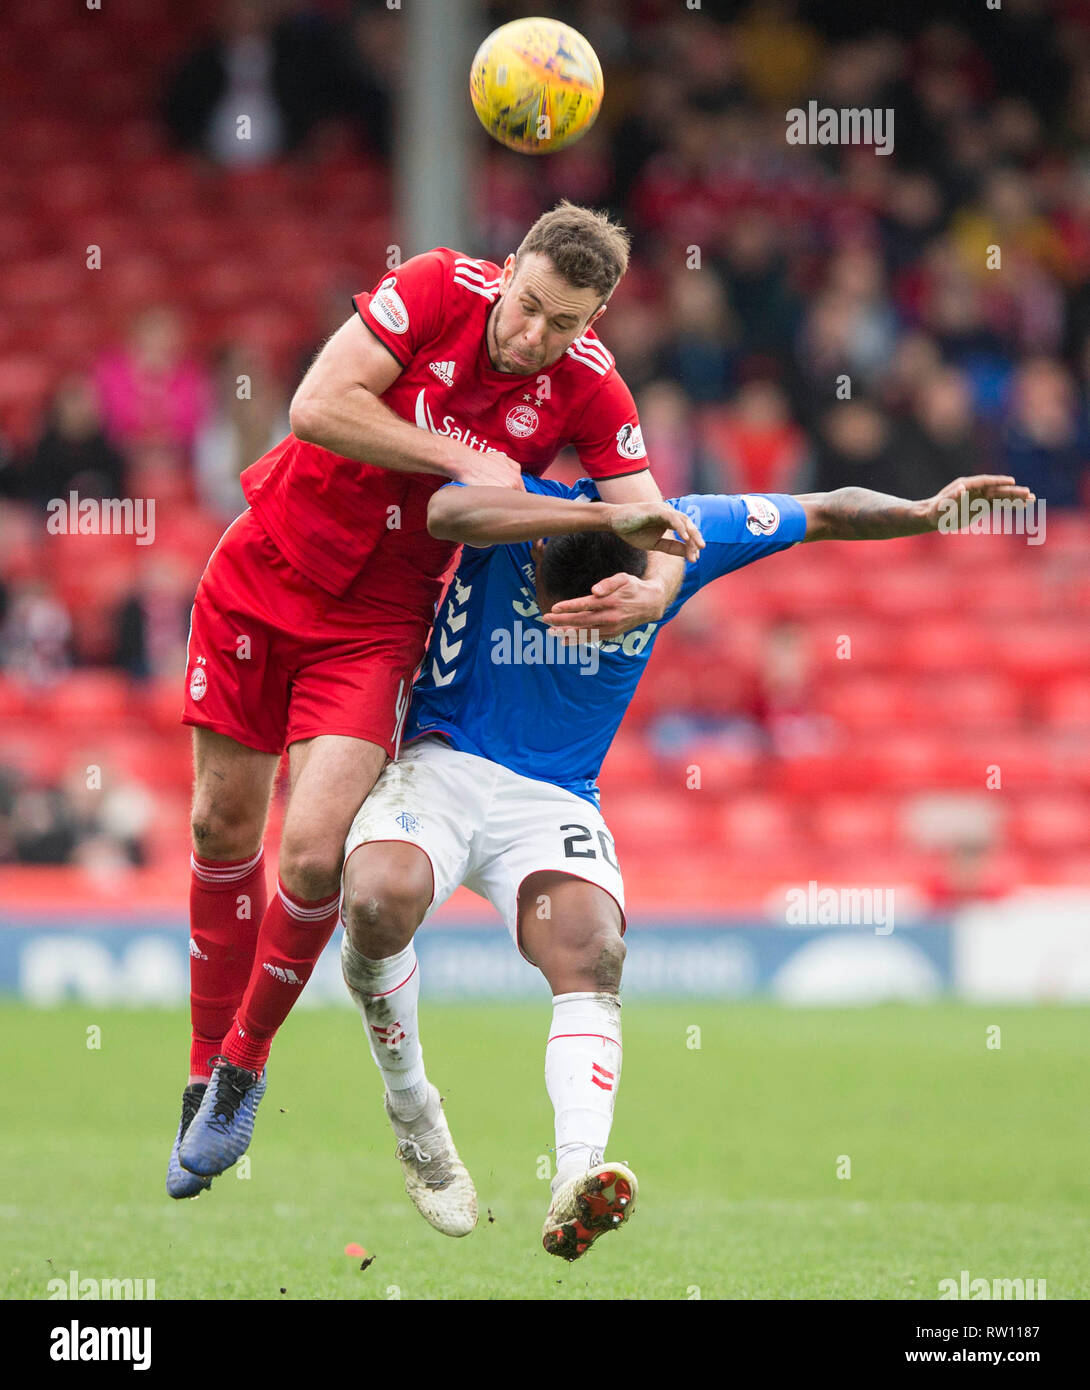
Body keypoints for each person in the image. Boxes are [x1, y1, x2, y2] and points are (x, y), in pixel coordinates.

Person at [337, 468, 1031, 1259]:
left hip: (556, 792)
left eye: (605, 617)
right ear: (536, 554)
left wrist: (923, 510)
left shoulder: (686, 534)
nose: (582, 632)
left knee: (594, 950)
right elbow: (441, 502)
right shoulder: (512, 510)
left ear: (643, 570)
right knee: (376, 903)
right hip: (444, 761)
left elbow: (826, 510)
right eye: (562, 612)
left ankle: (577, 1175)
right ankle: (414, 1112)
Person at [171, 202, 701, 1194]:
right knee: (219, 824)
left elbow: (656, 522)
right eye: (529, 306)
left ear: (594, 321)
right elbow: (316, 406)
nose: (535, 336)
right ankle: (199, 1073)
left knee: (315, 855)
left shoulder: (590, 385)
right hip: (267, 563)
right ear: (510, 270)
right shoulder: (432, 287)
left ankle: (243, 1064)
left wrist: (653, 586)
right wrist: (455, 453)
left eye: (564, 323)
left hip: (379, 620)